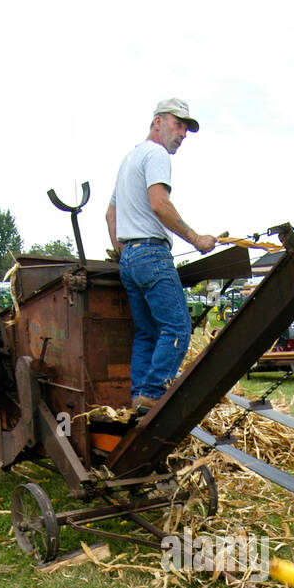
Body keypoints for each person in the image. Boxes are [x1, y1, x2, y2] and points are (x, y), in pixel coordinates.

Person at [106, 98, 216, 410]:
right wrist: (196, 238)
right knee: (178, 327)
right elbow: (159, 203)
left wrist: (124, 253)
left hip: (130, 259)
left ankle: (139, 397)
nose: (182, 133)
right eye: (177, 124)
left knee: (147, 333)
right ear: (158, 122)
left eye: (186, 128)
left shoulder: (130, 159)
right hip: (152, 254)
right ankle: (154, 394)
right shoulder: (156, 155)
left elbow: (110, 215)